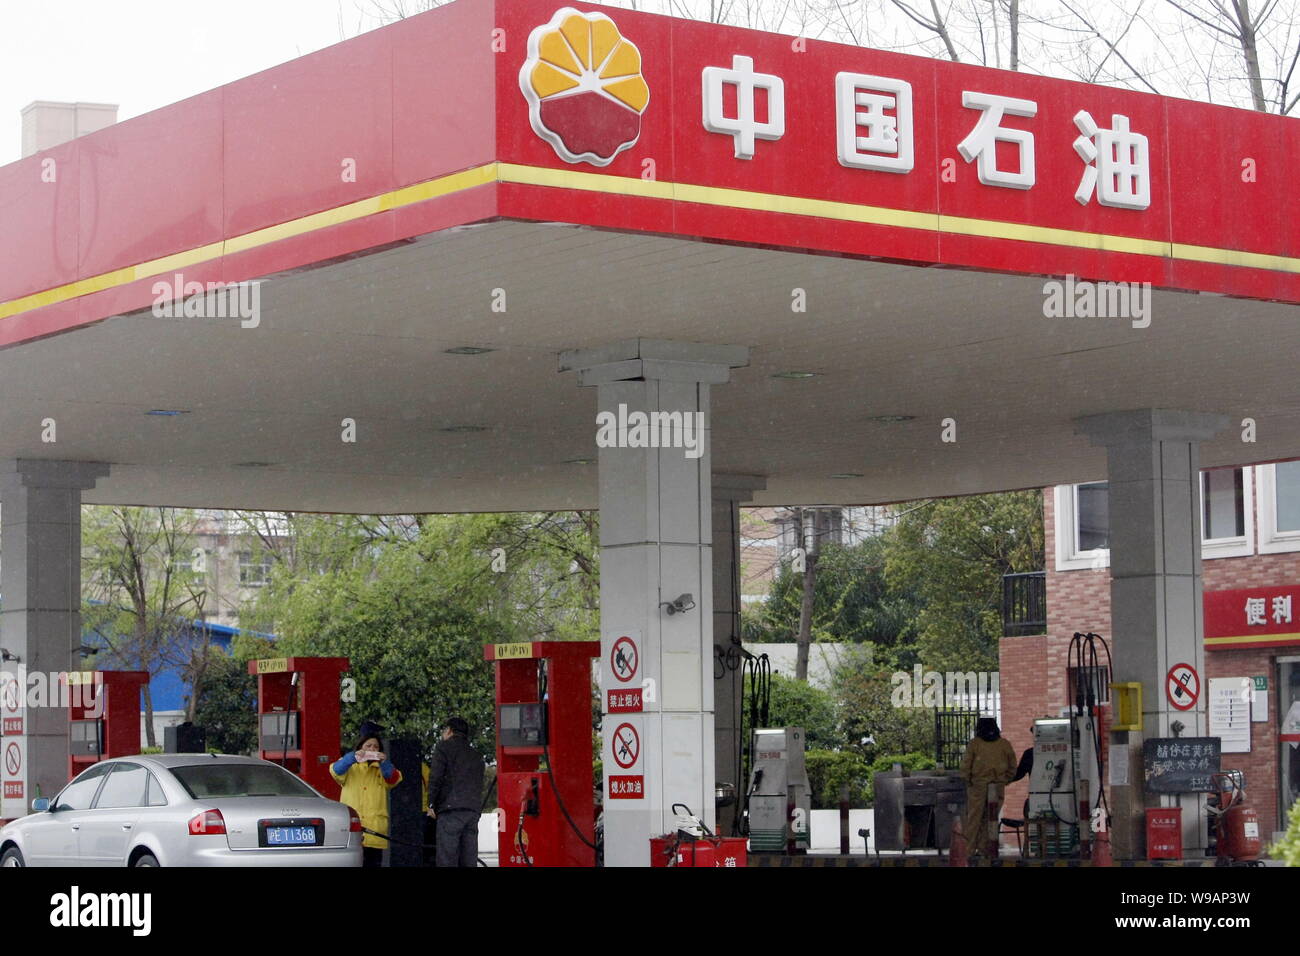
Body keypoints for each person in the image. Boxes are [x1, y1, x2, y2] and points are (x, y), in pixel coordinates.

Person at [331, 722, 403, 867]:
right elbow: (335, 771)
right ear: (360, 747)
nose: (372, 749)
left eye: (375, 747)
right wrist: (353, 757)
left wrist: (384, 762)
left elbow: (394, 779)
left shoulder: (383, 768)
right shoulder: (350, 765)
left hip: (375, 831)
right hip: (353, 830)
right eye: (368, 746)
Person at [426, 716, 485, 868]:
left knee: (447, 858)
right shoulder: (476, 755)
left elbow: (436, 777)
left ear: (449, 731)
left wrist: (431, 803)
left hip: (450, 811)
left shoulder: (443, 747)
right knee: (469, 859)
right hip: (472, 811)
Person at [958, 716, 1017, 861]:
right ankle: (986, 850)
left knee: (974, 818)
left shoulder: (975, 744)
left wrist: (967, 780)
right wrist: (1004, 780)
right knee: (990, 819)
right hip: (997, 786)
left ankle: (969, 851)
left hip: (977, 786)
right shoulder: (1004, 744)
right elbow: (1012, 767)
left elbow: (966, 765)